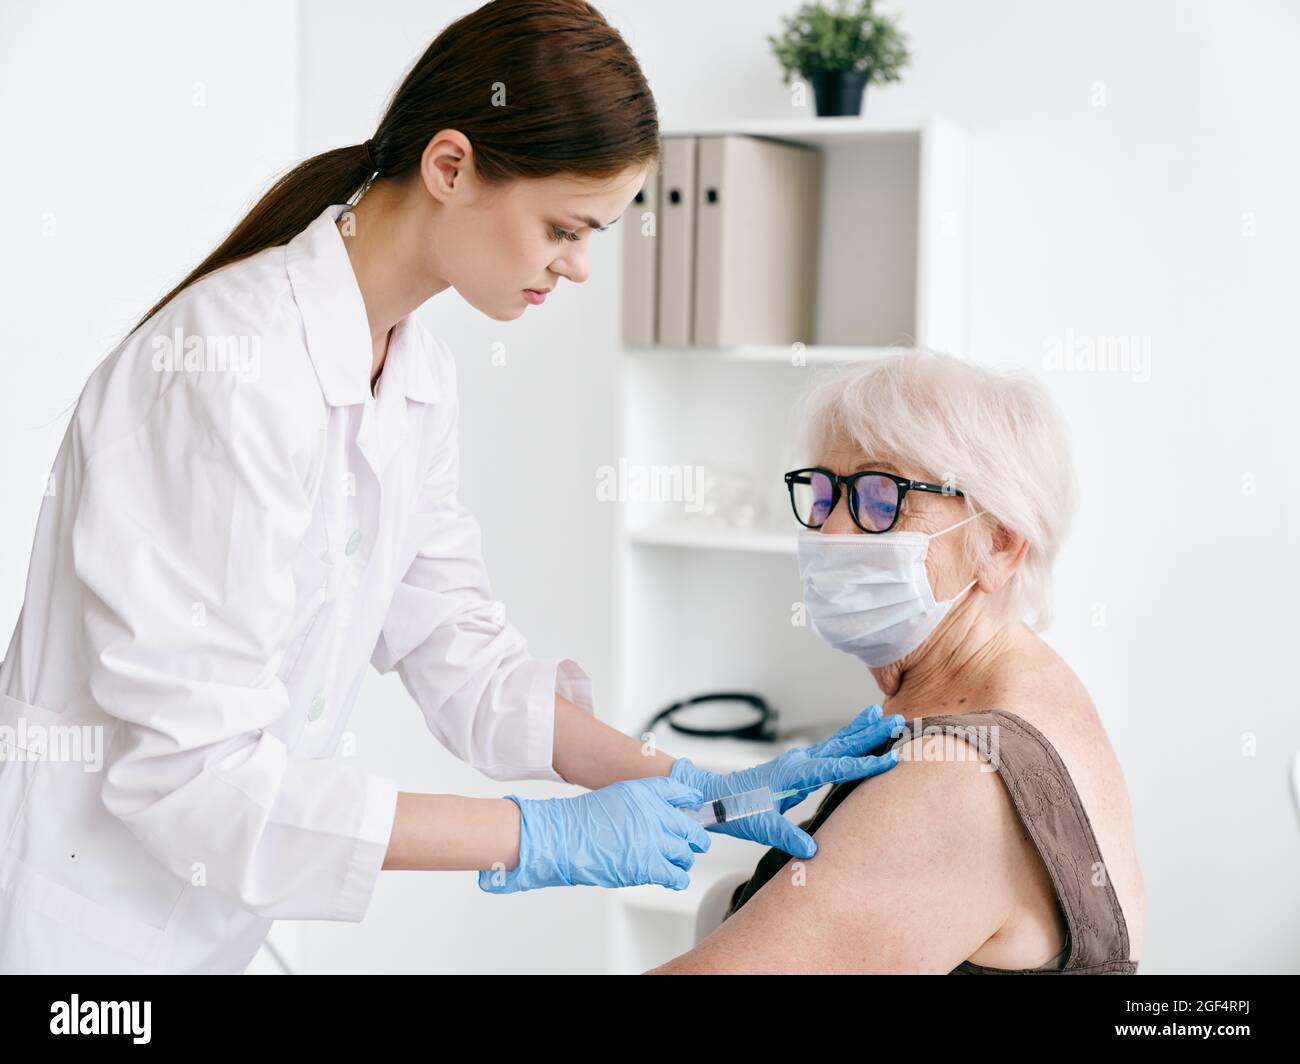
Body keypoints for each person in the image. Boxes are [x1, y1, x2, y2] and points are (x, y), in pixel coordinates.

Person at [0, 0, 900, 974]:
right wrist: (538, 834)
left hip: (202, 923)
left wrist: (689, 780)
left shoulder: (413, 372)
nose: (581, 267)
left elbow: (454, 648)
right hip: (69, 923)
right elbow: (193, 777)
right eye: (564, 226)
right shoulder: (227, 369)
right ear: (450, 167)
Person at [650, 349, 1145, 974]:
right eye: (826, 493)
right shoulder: (1033, 686)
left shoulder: (959, 778)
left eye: (883, 499)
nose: (829, 533)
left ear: (999, 542)